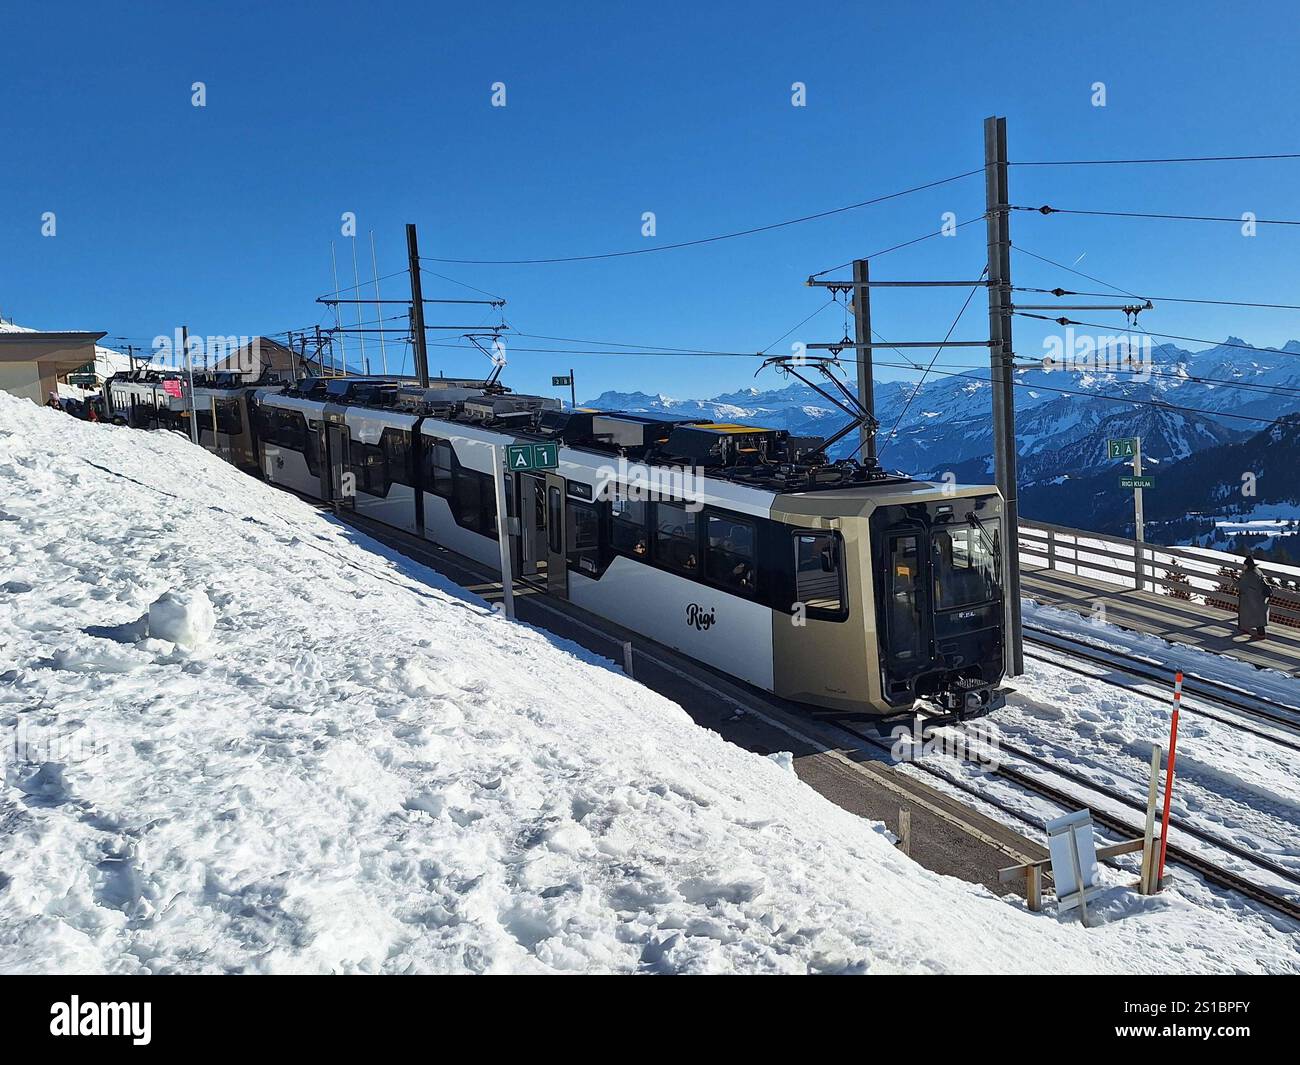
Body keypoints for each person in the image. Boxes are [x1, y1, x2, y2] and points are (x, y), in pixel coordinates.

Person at [1236, 555, 1272, 641]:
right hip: (1259, 598)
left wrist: (1235, 580)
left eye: (1244, 565)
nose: (1243, 566)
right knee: (1258, 615)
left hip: (1252, 598)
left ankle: (1260, 634)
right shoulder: (1257, 572)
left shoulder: (1248, 575)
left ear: (1247, 565)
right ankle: (1258, 632)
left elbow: (1241, 585)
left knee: (1252, 614)